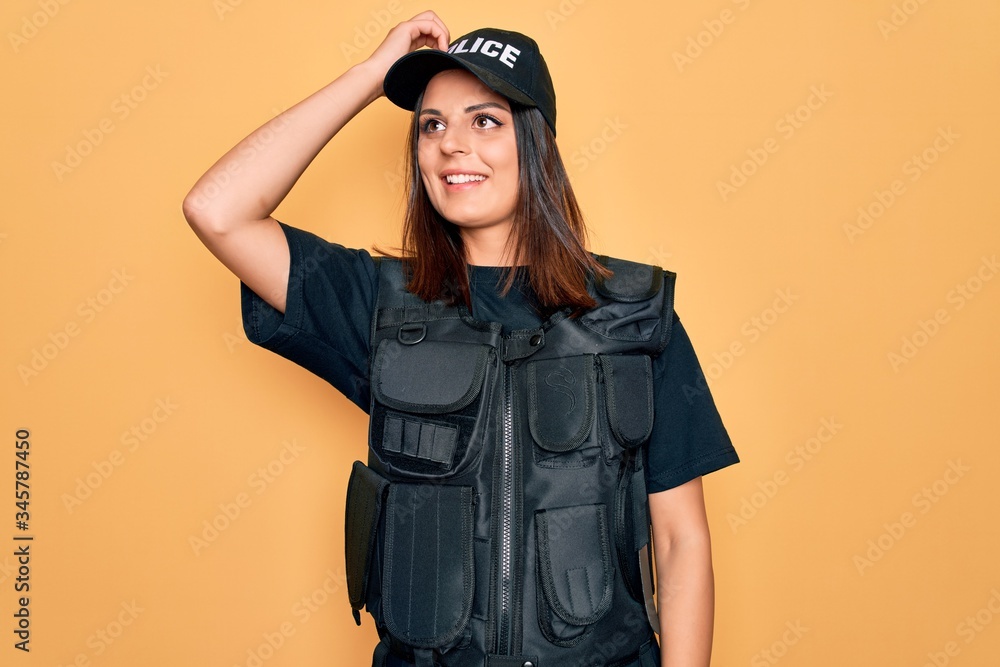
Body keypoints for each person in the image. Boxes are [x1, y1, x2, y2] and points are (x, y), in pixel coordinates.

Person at [182, 11, 738, 667]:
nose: (451, 144)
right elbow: (217, 210)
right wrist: (370, 77)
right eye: (431, 124)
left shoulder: (634, 314)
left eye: (485, 120)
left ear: (534, 142)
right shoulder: (379, 302)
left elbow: (680, 542)